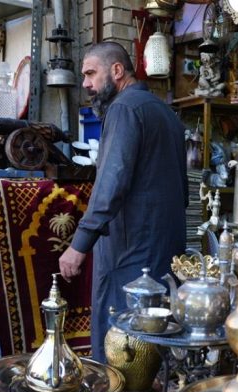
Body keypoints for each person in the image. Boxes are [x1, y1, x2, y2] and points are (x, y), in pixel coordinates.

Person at [59, 42, 187, 363]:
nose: (86, 83)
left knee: (123, 348)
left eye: (91, 73)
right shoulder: (164, 113)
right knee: (156, 339)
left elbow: (110, 185)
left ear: (117, 71)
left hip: (130, 254)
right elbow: (184, 190)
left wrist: (79, 244)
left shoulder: (123, 109)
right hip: (165, 250)